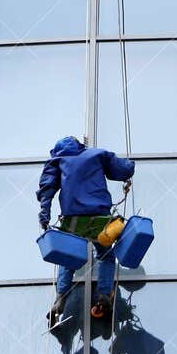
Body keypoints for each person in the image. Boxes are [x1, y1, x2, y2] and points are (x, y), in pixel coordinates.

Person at [37, 136, 135, 325]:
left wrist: (44, 214)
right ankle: (104, 295)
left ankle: (60, 298)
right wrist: (130, 166)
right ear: (79, 146)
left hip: (73, 221)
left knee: (68, 259)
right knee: (106, 255)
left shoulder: (58, 160)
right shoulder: (95, 154)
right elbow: (122, 169)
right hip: (98, 219)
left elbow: (47, 188)